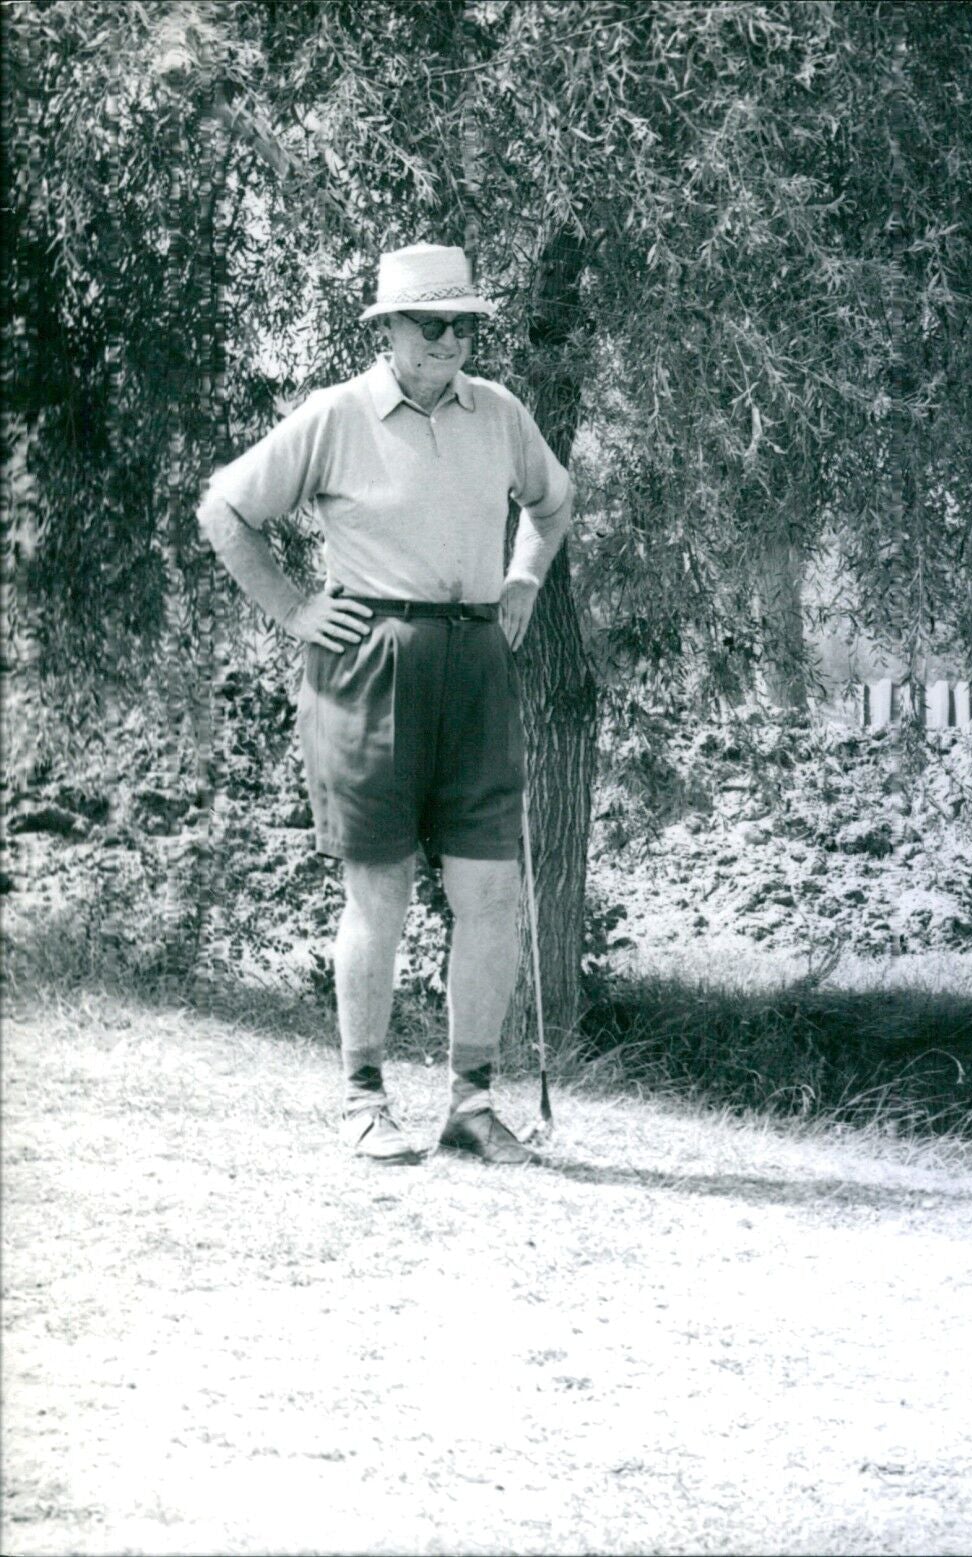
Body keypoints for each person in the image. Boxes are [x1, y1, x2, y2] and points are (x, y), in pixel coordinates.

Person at [198, 243, 574, 1166]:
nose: (448, 340)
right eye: (429, 323)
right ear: (391, 329)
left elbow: (553, 504)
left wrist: (523, 577)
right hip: (370, 664)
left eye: (462, 324)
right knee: (381, 888)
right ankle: (363, 1100)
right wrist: (294, 608)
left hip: (477, 661)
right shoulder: (336, 416)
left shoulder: (501, 415)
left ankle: (472, 1106)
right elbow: (225, 509)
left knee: (487, 891)